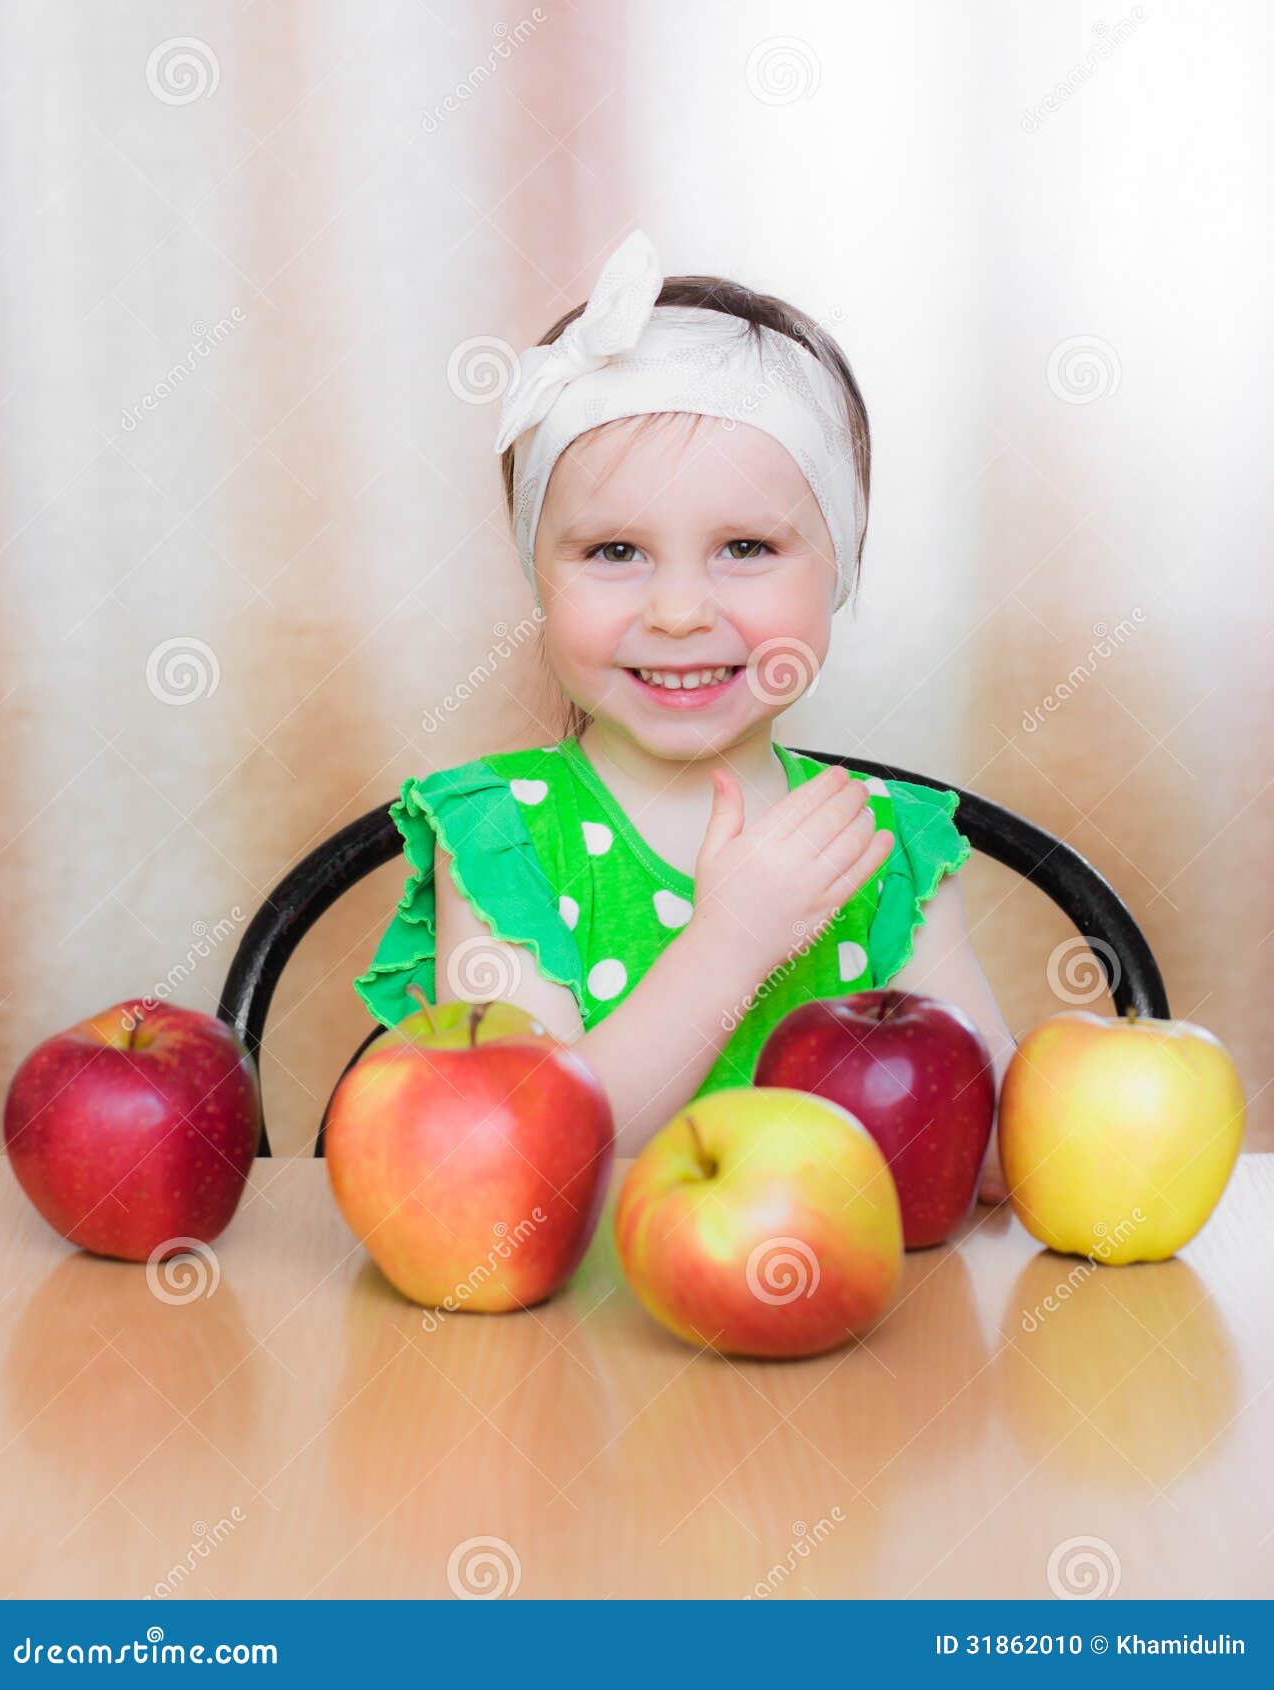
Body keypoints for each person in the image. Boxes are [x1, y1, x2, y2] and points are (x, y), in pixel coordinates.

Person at [354, 229, 1013, 1200]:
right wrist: (729, 945)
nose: (675, 612)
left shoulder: (883, 848)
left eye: (745, 546)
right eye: (614, 552)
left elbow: (991, 1162)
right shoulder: (500, 839)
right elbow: (531, 1161)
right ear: (536, 575)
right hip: (573, 1343)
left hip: (843, 1325)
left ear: (841, 569)